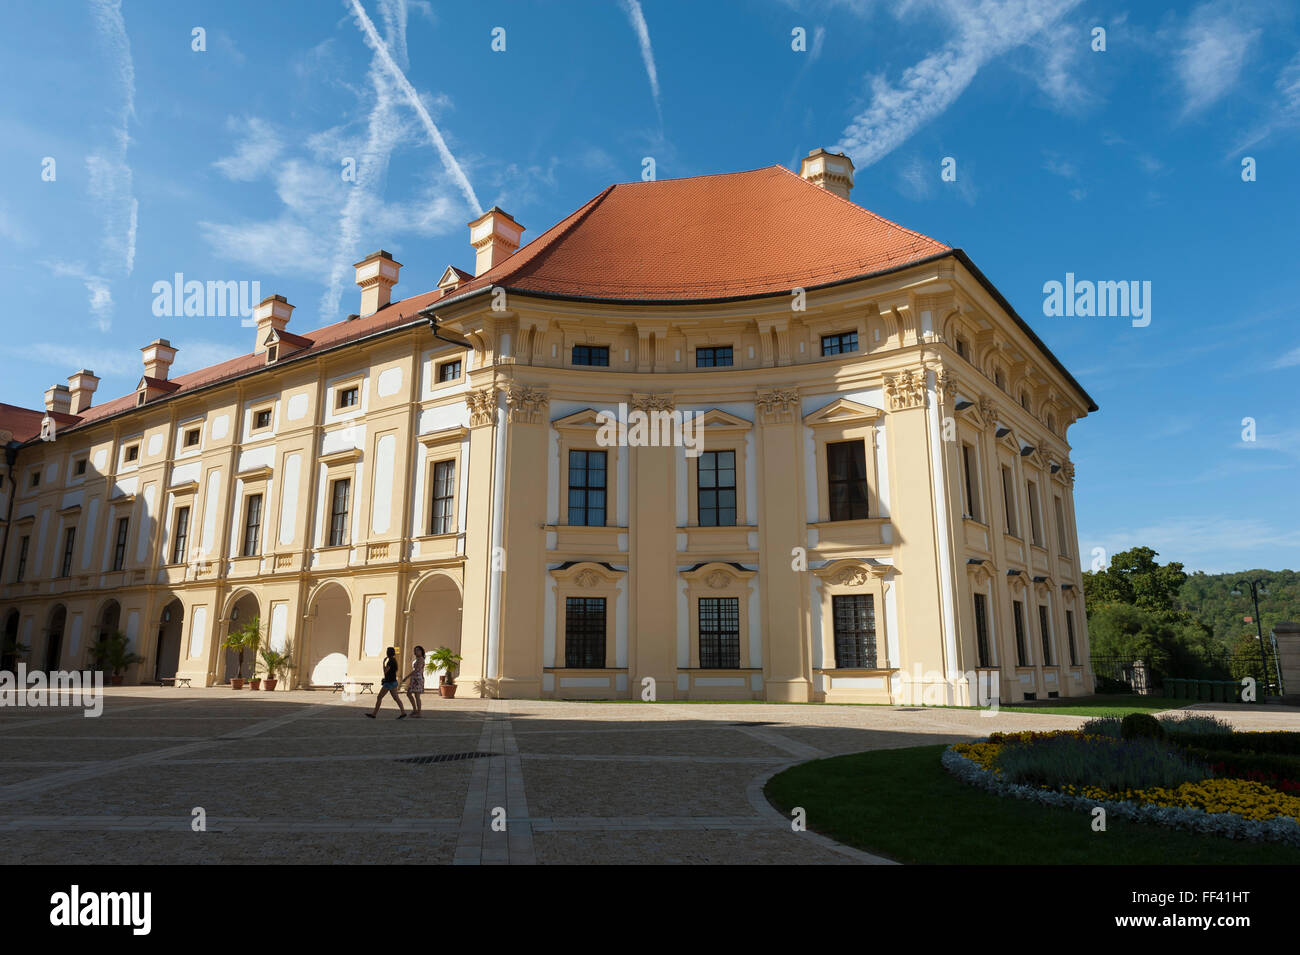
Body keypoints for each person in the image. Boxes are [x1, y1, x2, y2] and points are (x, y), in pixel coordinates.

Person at [366, 646, 406, 719]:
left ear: (388, 653)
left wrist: (383, 663)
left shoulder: (390, 661)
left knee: (379, 697)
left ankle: (374, 714)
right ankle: (403, 712)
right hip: (393, 681)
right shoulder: (394, 660)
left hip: (389, 683)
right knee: (396, 698)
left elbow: (385, 671)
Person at [404, 645, 426, 717]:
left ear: (421, 651)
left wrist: (407, 677)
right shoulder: (418, 659)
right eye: (415, 650)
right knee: (409, 694)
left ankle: (418, 712)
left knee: (417, 696)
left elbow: (416, 670)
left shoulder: (421, 659)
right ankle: (414, 710)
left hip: (418, 679)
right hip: (414, 679)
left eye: (417, 650)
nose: (415, 652)